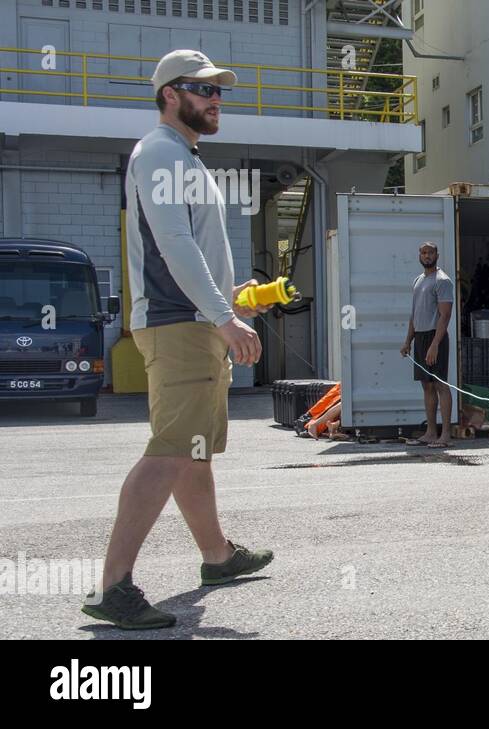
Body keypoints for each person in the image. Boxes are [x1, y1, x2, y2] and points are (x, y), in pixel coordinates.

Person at [83, 50, 273, 630]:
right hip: (180, 325)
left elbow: (187, 250)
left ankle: (216, 557)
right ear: (170, 94)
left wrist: (228, 297)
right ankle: (113, 587)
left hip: (192, 320)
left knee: (193, 449)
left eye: (219, 91)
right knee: (171, 449)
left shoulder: (183, 158)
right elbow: (174, 245)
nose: (216, 99)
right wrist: (221, 316)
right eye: (202, 89)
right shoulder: (161, 152)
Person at [401, 242, 455, 448]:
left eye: (430, 252)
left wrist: (435, 344)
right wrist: (408, 341)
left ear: (437, 255)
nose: (427, 256)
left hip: (435, 337)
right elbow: (414, 315)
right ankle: (431, 432)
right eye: (423, 253)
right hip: (421, 337)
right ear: (419, 255)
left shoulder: (443, 281)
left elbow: (445, 315)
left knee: (441, 384)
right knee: (426, 385)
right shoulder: (418, 280)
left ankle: (445, 436)